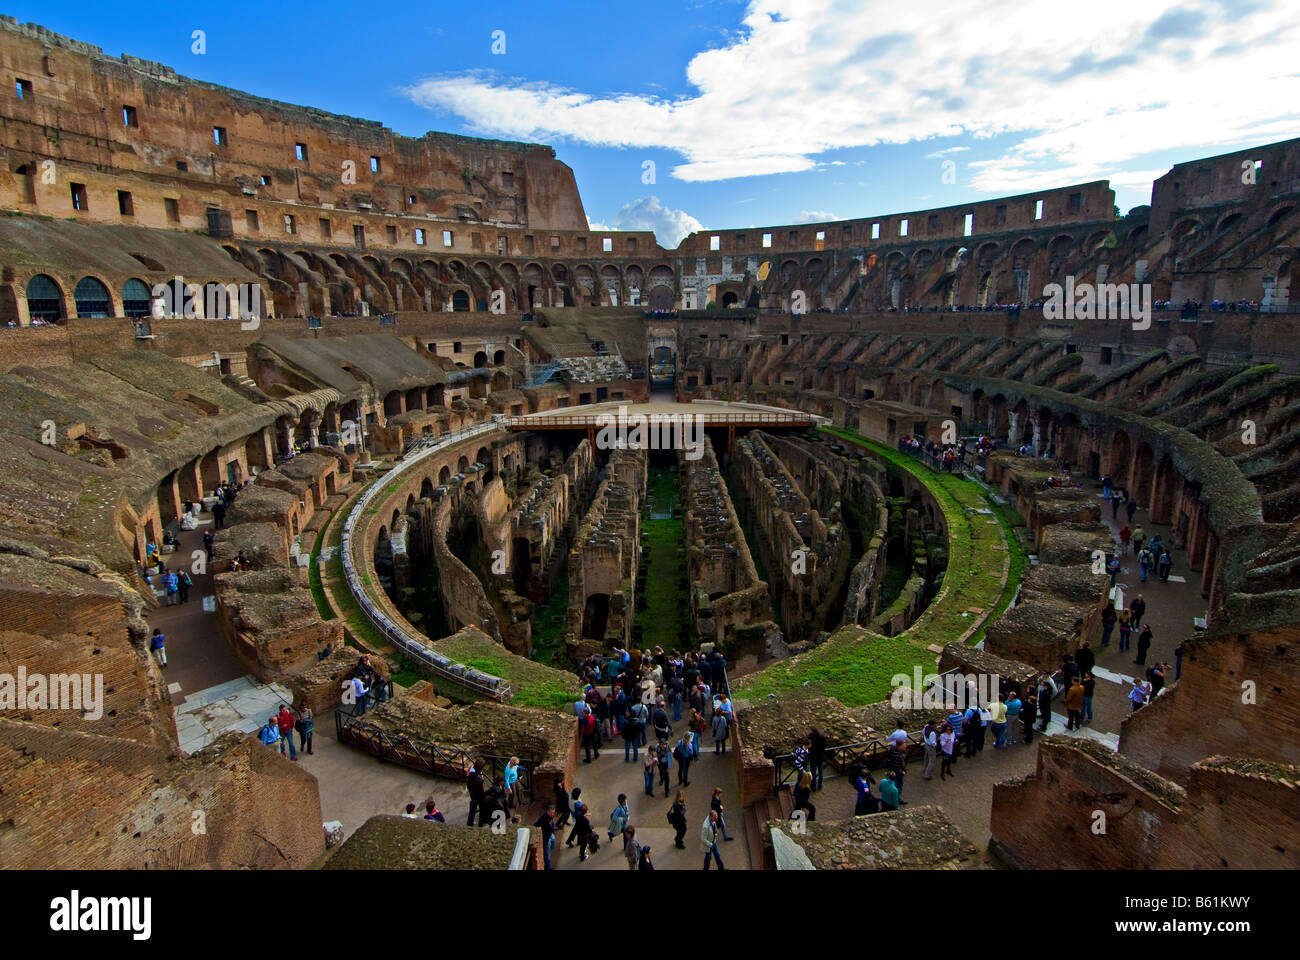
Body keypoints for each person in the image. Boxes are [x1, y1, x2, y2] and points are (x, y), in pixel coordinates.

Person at [467, 762, 486, 827]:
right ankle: (480, 824)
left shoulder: (470, 775)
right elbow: (481, 790)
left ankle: (470, 822)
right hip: (478, 796)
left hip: (472, 793)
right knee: (482, 809)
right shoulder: (479, 779)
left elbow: (468, 784)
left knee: (472, 808)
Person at [808, 727, 827, 791]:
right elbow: (824, 746)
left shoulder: (810, 738)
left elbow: (808, 748)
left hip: (813, 758)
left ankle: (813, 787)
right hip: (820, 758)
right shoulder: (821, 737)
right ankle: (819, 786)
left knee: (813, 773)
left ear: (812, 731)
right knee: (821, 773)